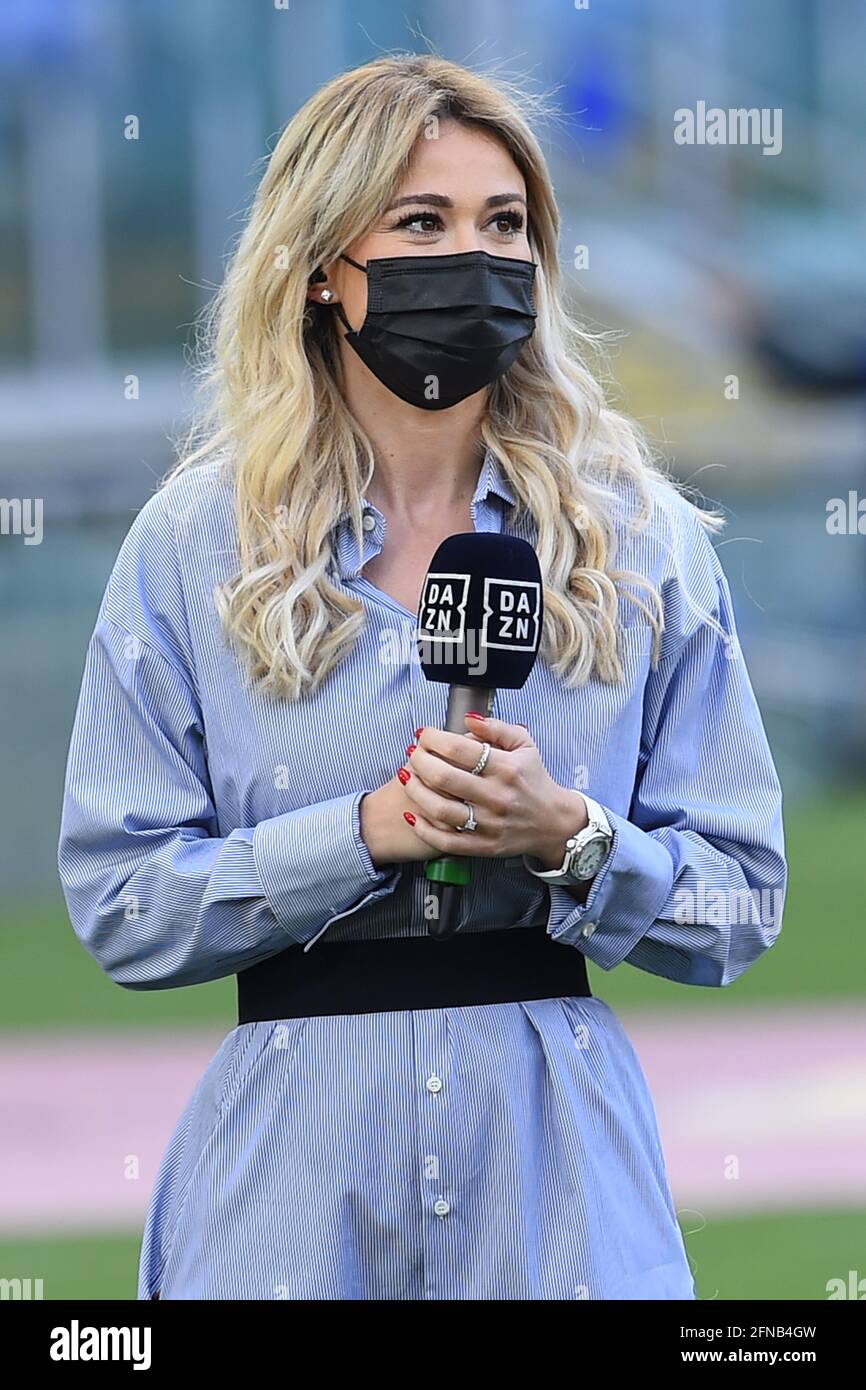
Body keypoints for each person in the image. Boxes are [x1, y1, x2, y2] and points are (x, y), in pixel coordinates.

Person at [57, 54, 787, 1301]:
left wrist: (568, 836)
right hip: (283, 1200)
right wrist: (360, 833)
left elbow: (739, 903)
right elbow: (124, 904)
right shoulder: (191, 545)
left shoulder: (641, 538)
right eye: (420, 222)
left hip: (559, 1193)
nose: (472, 257)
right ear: (319, 266)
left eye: (502, 223)